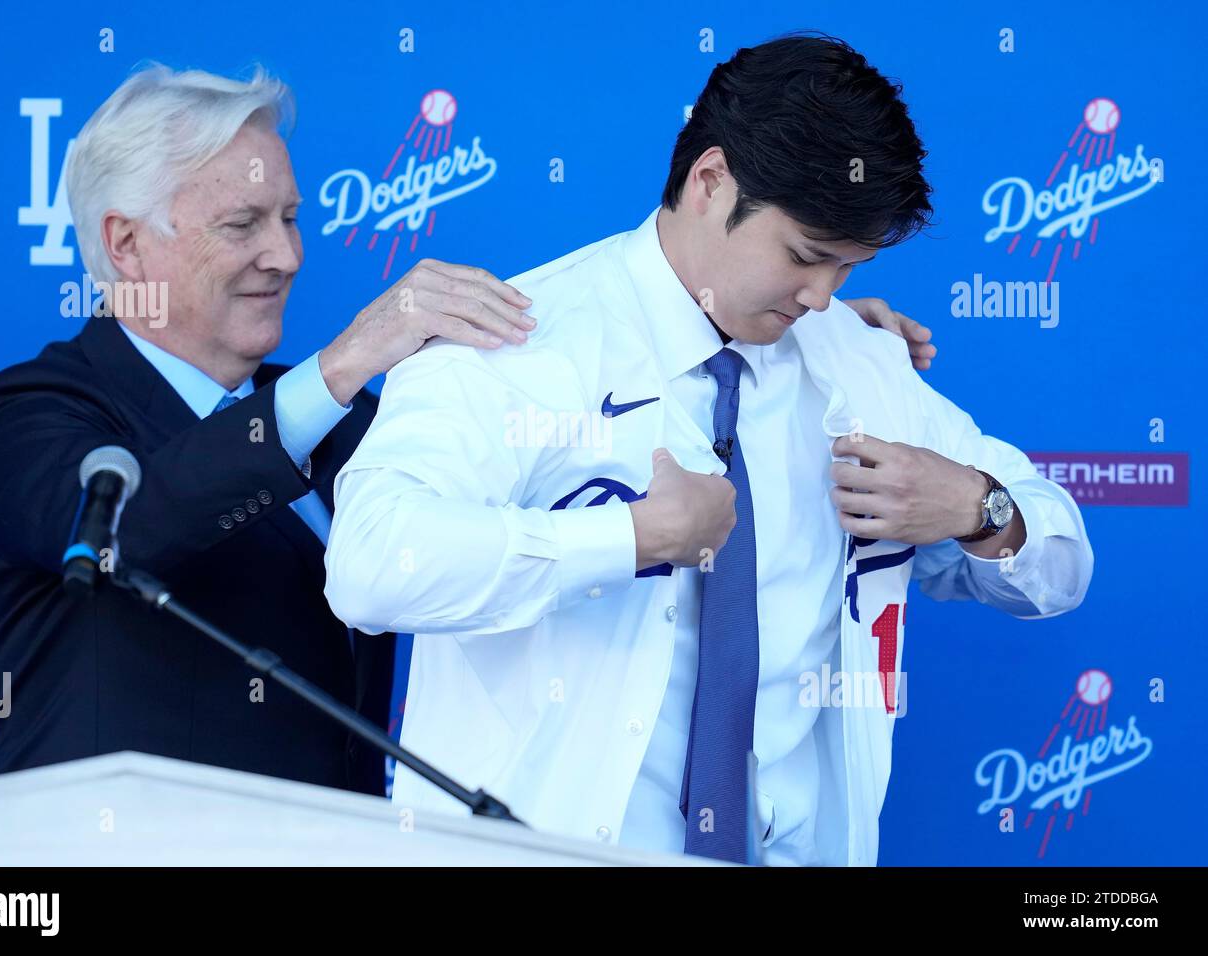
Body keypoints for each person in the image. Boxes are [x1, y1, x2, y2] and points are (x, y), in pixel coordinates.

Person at [323, 33, 1094, 863]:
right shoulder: (512, 339)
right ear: (710, 181)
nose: (820, 296)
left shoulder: (859, 360)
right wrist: (628, 538)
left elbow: (1059, 564)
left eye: (847, 267)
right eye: (805, 256)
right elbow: (370, 566)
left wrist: (978, 507)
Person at [0, 64, 535, 792]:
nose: (288, 257)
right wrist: (340, 366)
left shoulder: (349, 421)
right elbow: (123, 534)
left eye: (291, 218)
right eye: (243, 224)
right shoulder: (35, 408)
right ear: (126, 244)